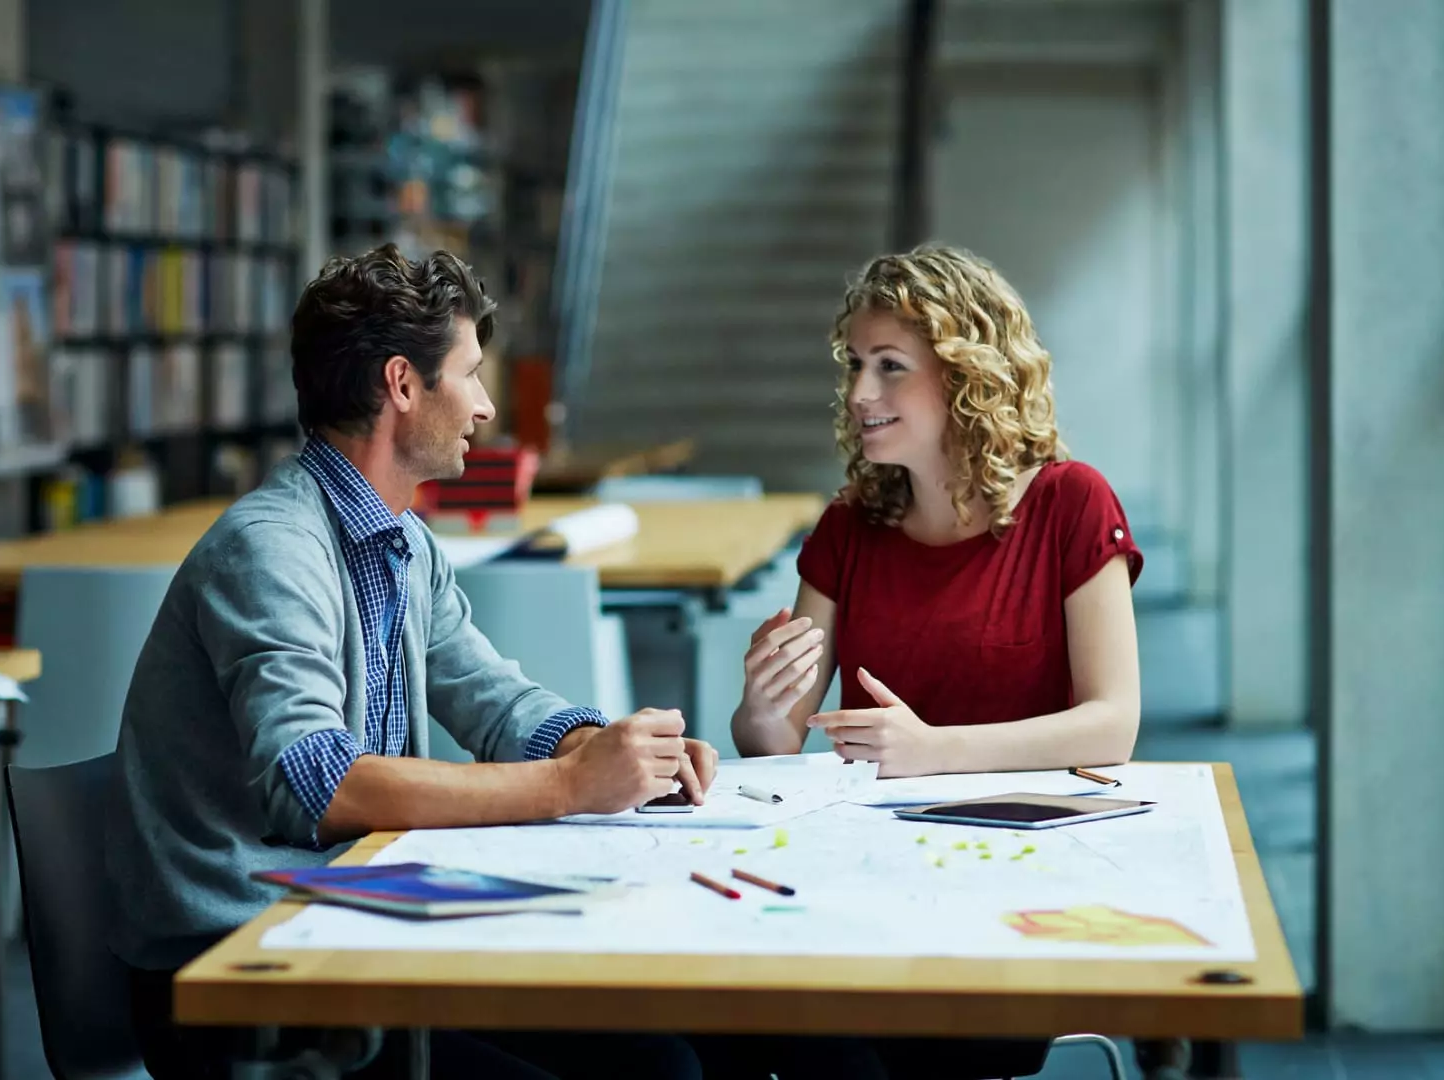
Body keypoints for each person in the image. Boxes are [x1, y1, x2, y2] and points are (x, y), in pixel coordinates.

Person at [106, 245, 713, 1080]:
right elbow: (316, 783)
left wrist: (611, 753)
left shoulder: (404, 543)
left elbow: (490, 697)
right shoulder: (272, 548)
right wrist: (572, 788)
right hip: (248, 969)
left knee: (662, 1061)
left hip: (360, 922)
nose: (488, 406)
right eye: (469, 374)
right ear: (402, 384)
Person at [705, 245, 1145, 1080]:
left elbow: (1112, 725)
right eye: (855, 366)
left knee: (832, 1043)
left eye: (889, 367)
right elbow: (775, 746)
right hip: (862, 882)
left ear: (964, 375)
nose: (860, 393)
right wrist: (761, 708)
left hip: (1012, 889)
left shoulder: (1071, 504)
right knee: (744, 1023)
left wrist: (932, 749)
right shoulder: (848, 529)